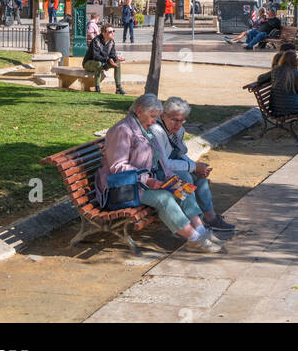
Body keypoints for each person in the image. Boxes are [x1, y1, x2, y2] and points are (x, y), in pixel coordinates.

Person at [95, 94, 221, 254]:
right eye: (153, 116)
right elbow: (117, 167)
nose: (155, 120)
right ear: (139, 111)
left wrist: (170, 178)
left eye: (156, 117)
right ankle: (194, 239)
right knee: (164, 198)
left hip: (143, 182)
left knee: (182, 188)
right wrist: (146, 180)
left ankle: (201, 231)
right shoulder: (122, 130)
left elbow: (160, 159)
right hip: (121, 188)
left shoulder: (146, 129)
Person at [148, 97, 235, 235]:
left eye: (182, 120)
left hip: (169, 168)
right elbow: (164, 164)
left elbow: (179, 152)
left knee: (199, 178)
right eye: (174, 120)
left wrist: (196, 167)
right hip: (156, 173)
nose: (178, 124)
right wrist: (192, 167)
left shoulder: (179, 130)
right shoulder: (156, 130)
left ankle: (210, 217)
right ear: (163, 115)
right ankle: (195, 225)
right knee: (184, 178)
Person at [83, 23, 126, 93]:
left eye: (113, 31)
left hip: (103, 62)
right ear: (103, 33)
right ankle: (97, 88)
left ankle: (118, 88)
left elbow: (112, 54)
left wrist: (116, 58)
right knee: (99, 64)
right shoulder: (96, 41)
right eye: (110, 32)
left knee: (117, 63)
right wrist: (108, 60)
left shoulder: (111, 41)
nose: (112, 33)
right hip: (89, 63)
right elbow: (95, 56)